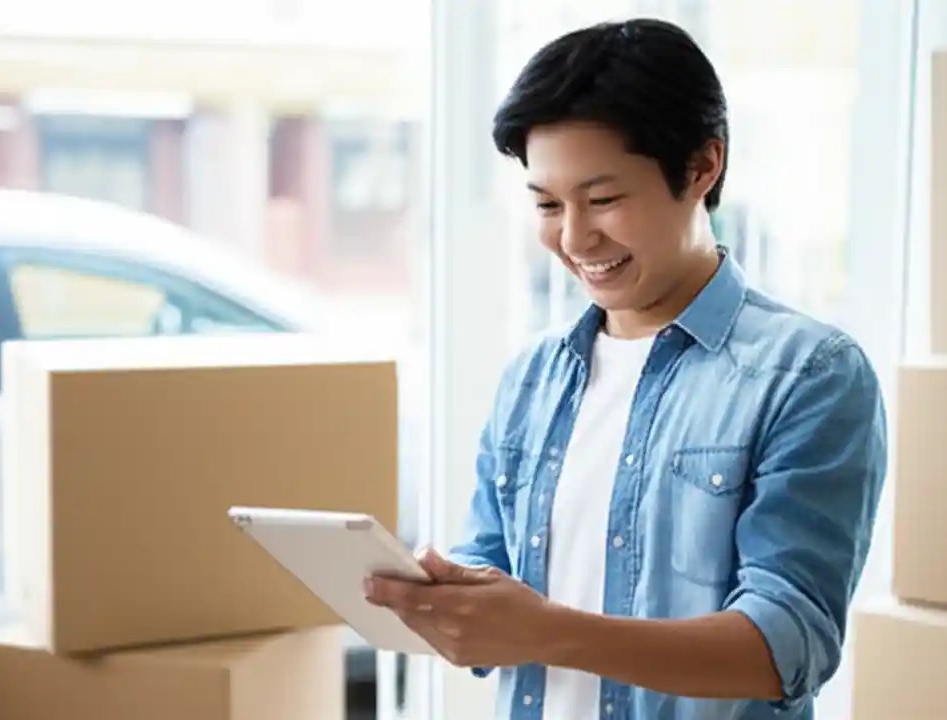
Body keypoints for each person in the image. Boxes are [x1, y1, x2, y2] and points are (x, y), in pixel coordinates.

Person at [364, 16, 888, 720]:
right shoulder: (533, 378)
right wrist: (447, 600)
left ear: (703, 166)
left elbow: (788, 644)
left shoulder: (809, 375)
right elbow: (491, 583)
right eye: (548, 204)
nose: (575, 238)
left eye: (603, 199)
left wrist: (548, 630)